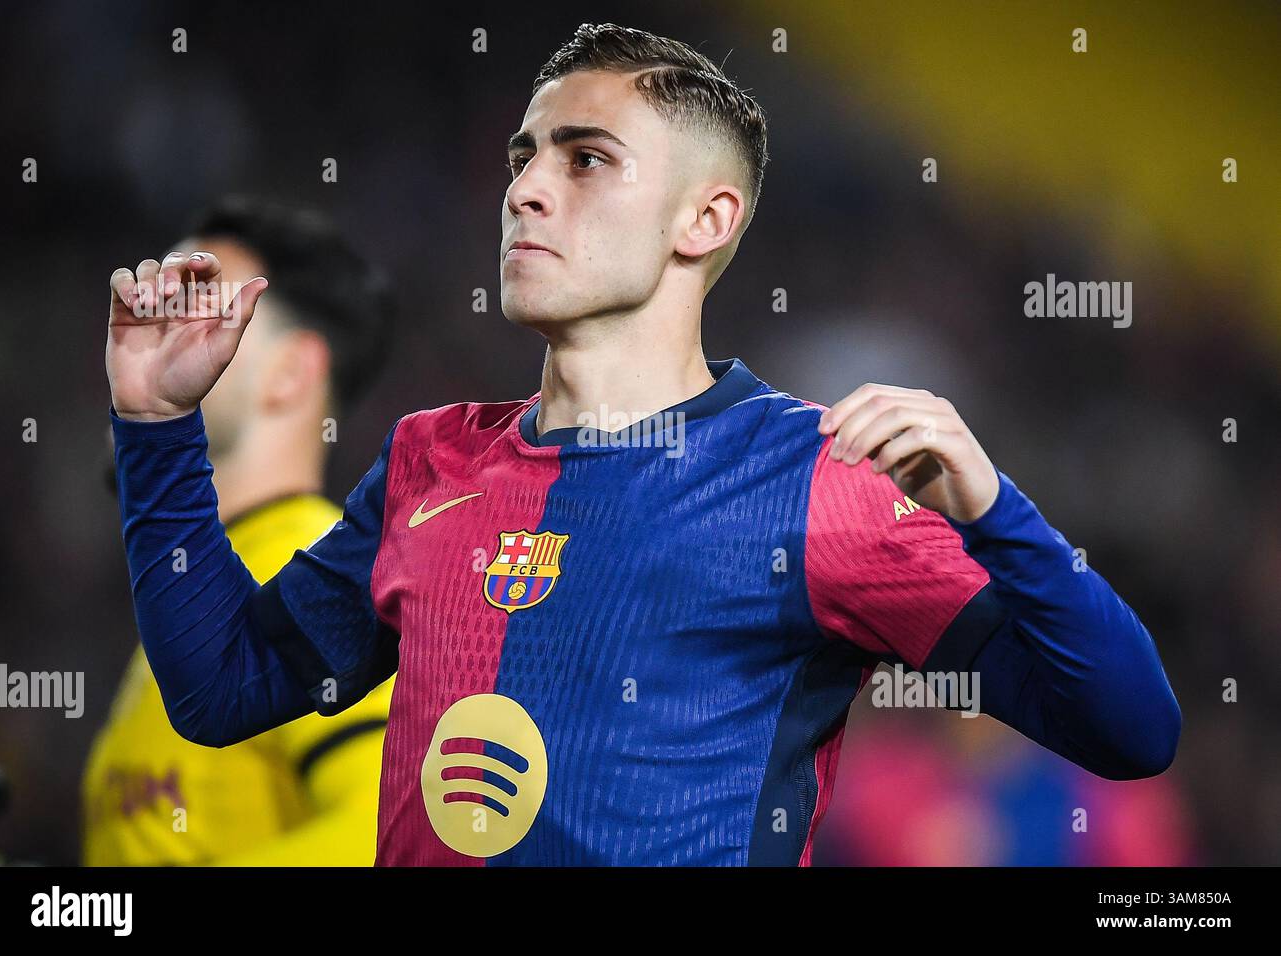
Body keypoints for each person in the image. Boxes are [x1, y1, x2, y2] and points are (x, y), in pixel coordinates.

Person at [103, 24, 1180, 866]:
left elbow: (1131, 725)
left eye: (586, 159)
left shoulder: (816, 482)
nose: (523, 186)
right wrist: (157, 427)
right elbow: (222, 685)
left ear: (702, 220)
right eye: (525, 155)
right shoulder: (432, 463)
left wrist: (997, 511)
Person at [85, 197, 396, 865]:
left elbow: (381, 832)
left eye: (192, 299)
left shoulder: (322, 575)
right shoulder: (191, 599)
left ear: (290, 371)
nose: (148, 318)